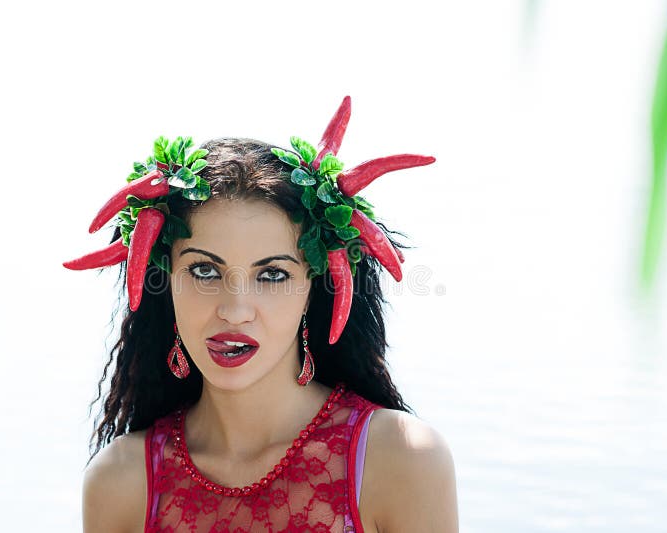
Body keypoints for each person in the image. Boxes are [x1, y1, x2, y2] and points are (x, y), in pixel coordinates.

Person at [65, 96, 458, 532]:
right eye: (203, 270)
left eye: (272, 275)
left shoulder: (401, 461)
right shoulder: (119, 482)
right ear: (166, 281)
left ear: (314, 288)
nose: (234, 310)